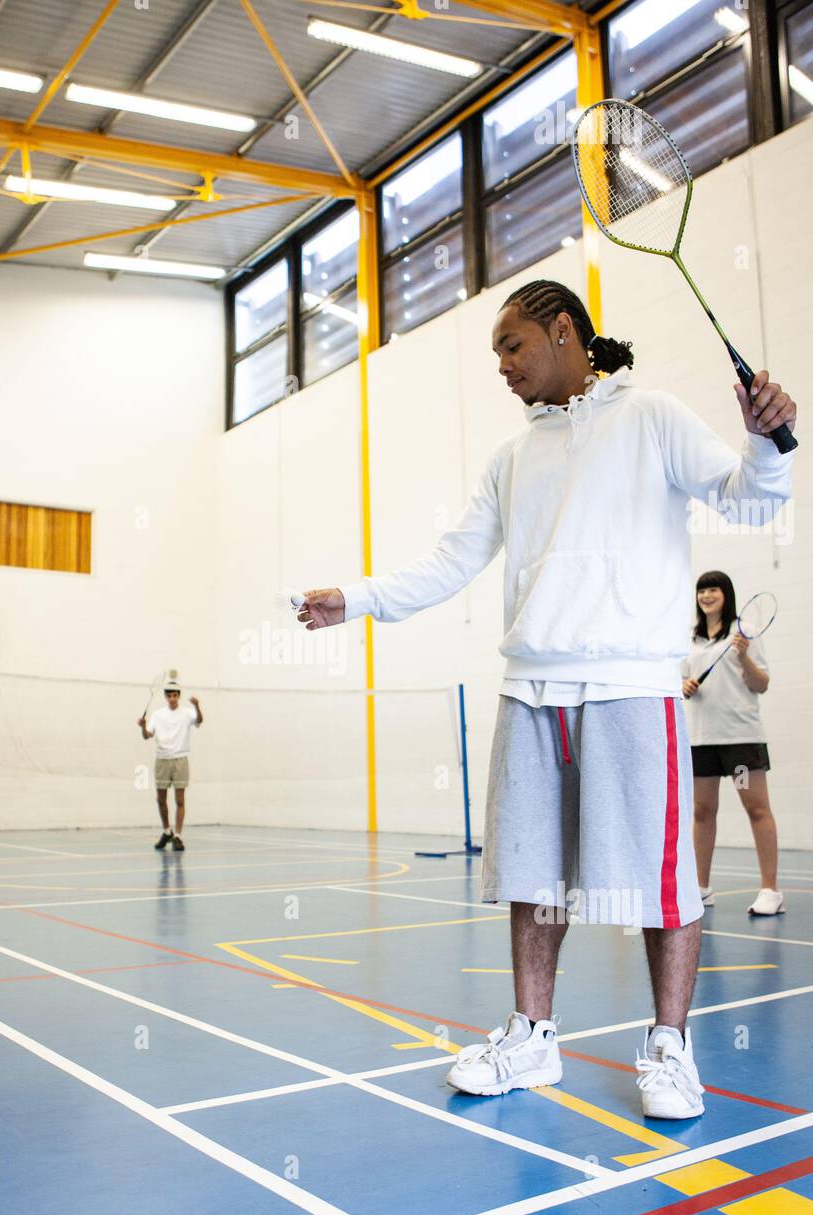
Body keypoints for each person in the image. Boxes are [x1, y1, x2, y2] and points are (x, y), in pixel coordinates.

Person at [298, 279, 796, 1120]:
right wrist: (358, 598)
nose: (501, 365)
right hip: (532, 692)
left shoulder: (653, 418)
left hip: (631, 689)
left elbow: (748, 499)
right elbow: (452, 561)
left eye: (512, 346)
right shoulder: (512, 457)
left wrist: (768, 444)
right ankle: (533, 1037)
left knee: (665, 885)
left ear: (563, 330)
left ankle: (670, 1048)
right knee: (533, 876)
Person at [682, 571, 782, 917]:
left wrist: (743, 656)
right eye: (702, 590)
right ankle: (701, 887)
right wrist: (685, 685)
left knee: (755, 809)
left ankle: (770, 890)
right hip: (702, 739)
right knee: (702, 812)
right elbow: (680, 679)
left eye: (714, 589)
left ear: (727, 594)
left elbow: (761, 684)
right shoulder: (690, 639)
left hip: (739, 742)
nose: (707, 595)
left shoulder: (744, 634)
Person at [138, 683, 202, 851]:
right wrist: (143, 727)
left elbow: (199, 720)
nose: (172, 698)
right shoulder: (158, 715)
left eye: (175, 695)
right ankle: (167, 831)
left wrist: (196, 705)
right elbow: (147, 736)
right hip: (162, 760)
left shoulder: (188, 712)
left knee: (180, 800)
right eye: (169, 696)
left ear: (178, 696)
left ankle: (178, 836)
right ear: (166, 697)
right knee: (161, 799)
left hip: (180, 760)